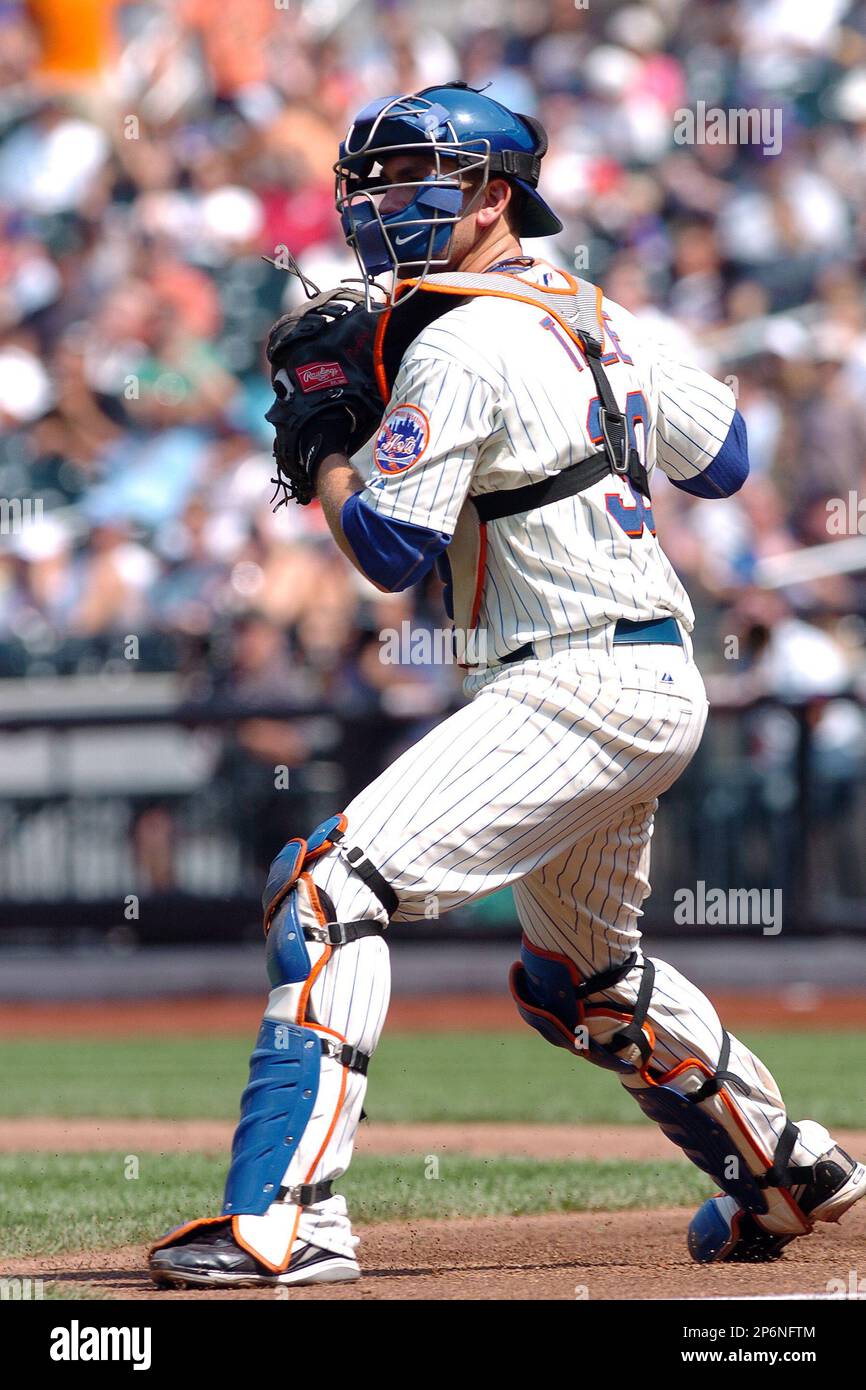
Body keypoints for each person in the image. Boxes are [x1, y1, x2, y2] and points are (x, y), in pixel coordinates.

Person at [149, 84, 865, 1288]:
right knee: (574, 981)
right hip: (648, 676)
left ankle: (290, 1219)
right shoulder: (591, 308)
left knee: (322, 886)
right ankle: (781, 1168)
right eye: (371, 183)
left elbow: (387, 554)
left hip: (571, 678)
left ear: (494, 195)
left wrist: (329, 451)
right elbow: (729, 461)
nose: (383, 205)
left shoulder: (458, 337)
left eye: (416, 179)